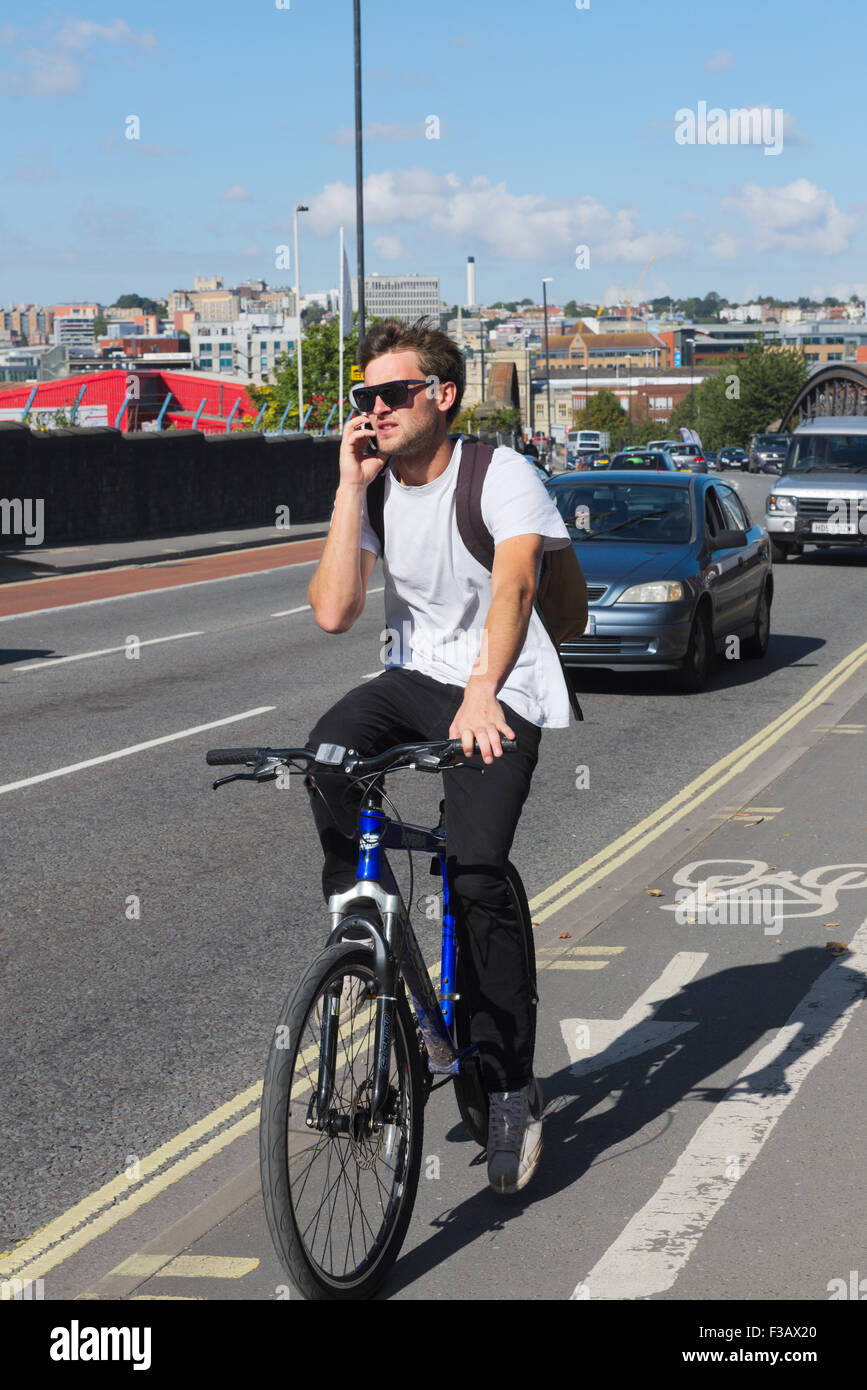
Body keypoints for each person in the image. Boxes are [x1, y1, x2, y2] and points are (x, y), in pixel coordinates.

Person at [305, 316, 573, 1194]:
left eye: (392, 394)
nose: (374, 409)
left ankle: (506, 1085)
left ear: (441, 396)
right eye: (363, 398)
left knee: (476, 868)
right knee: (328, 753)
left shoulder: (500, 474)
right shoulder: (377, 486)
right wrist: (348, 489)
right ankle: (366, 919)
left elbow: (517, 584)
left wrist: (484, 687)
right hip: (414, 678)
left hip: (503, 684)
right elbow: (335, 612)